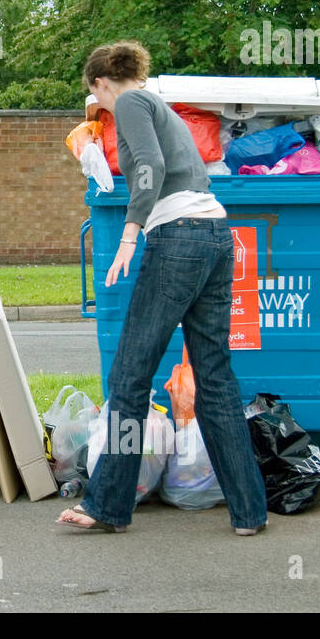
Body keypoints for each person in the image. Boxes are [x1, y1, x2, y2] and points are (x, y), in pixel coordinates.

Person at [57, 41, 268, 536]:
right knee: (215, 380)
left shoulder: (130, 103)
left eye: (96, 99)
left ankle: (106, 505)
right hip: (216, 236)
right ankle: (249, 512)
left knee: (129, 377)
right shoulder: (163, 109)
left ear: (101, 83)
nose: (102, 110)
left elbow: (148, 167)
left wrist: (131, 232)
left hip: (178, 240)